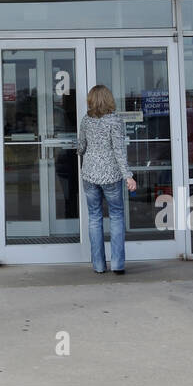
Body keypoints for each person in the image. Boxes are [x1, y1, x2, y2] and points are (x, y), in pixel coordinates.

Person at [76, 84, 135, 274]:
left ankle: (99, 265)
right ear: (109, 99)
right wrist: (128, 175)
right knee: (116, 216)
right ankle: (117, 264)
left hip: (89, 174)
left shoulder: (86, 120)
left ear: (91, 100)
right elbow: (119, 150)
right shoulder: (115, 120)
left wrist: (85, 153)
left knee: (94, 217)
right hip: (111, 174)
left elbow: (80, 147)